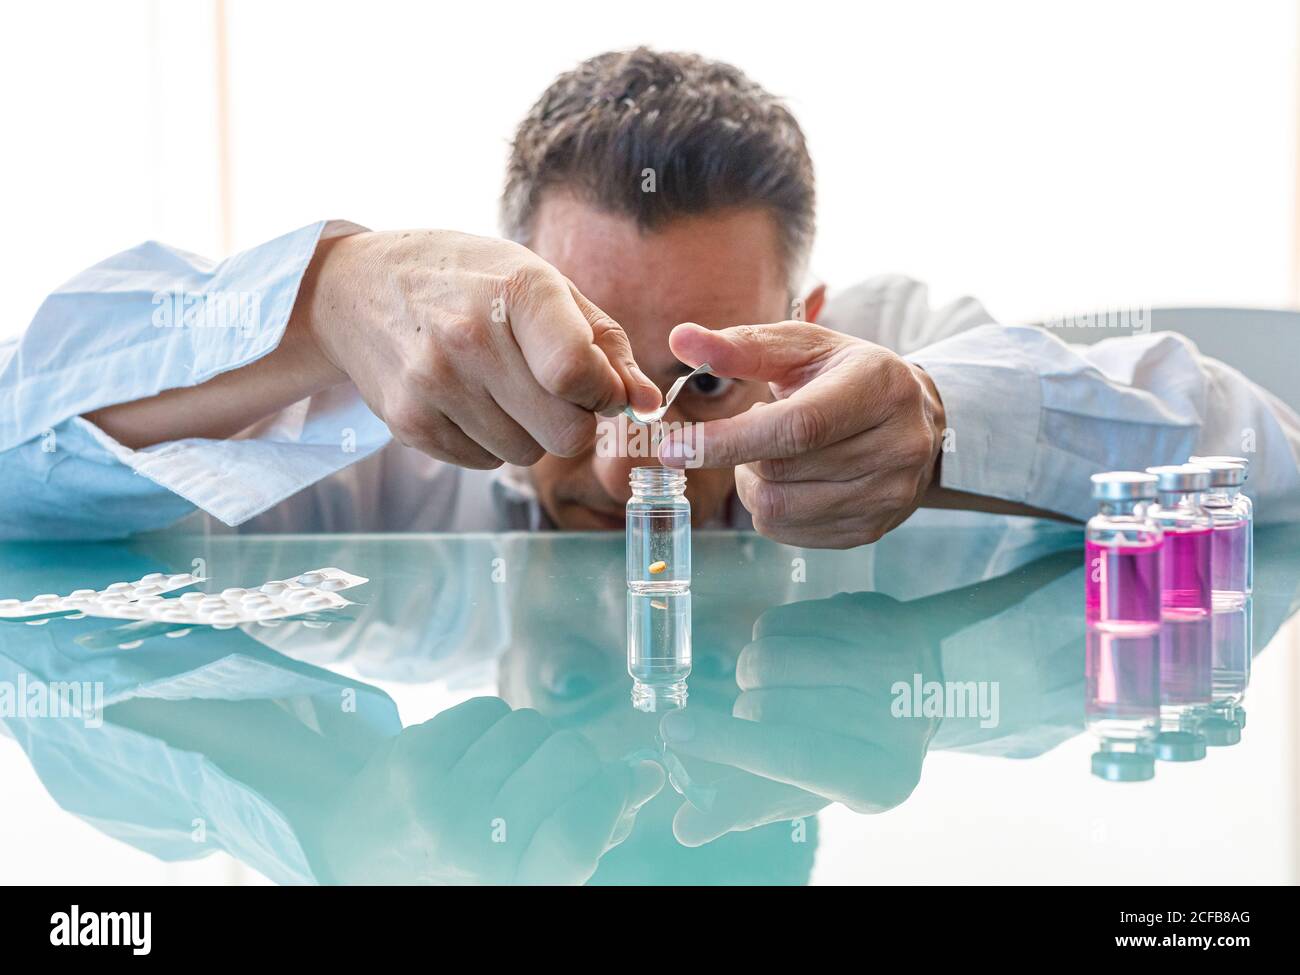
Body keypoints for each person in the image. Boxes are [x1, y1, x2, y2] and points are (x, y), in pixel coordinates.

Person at [2, 48, 1298, 543]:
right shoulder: (375, 406)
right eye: (576, 365)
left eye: (701, 382)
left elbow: (1268, 457)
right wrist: (317, 296)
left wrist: (950, 426)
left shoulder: (895, 353)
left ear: (816, 309)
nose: (637, 467)